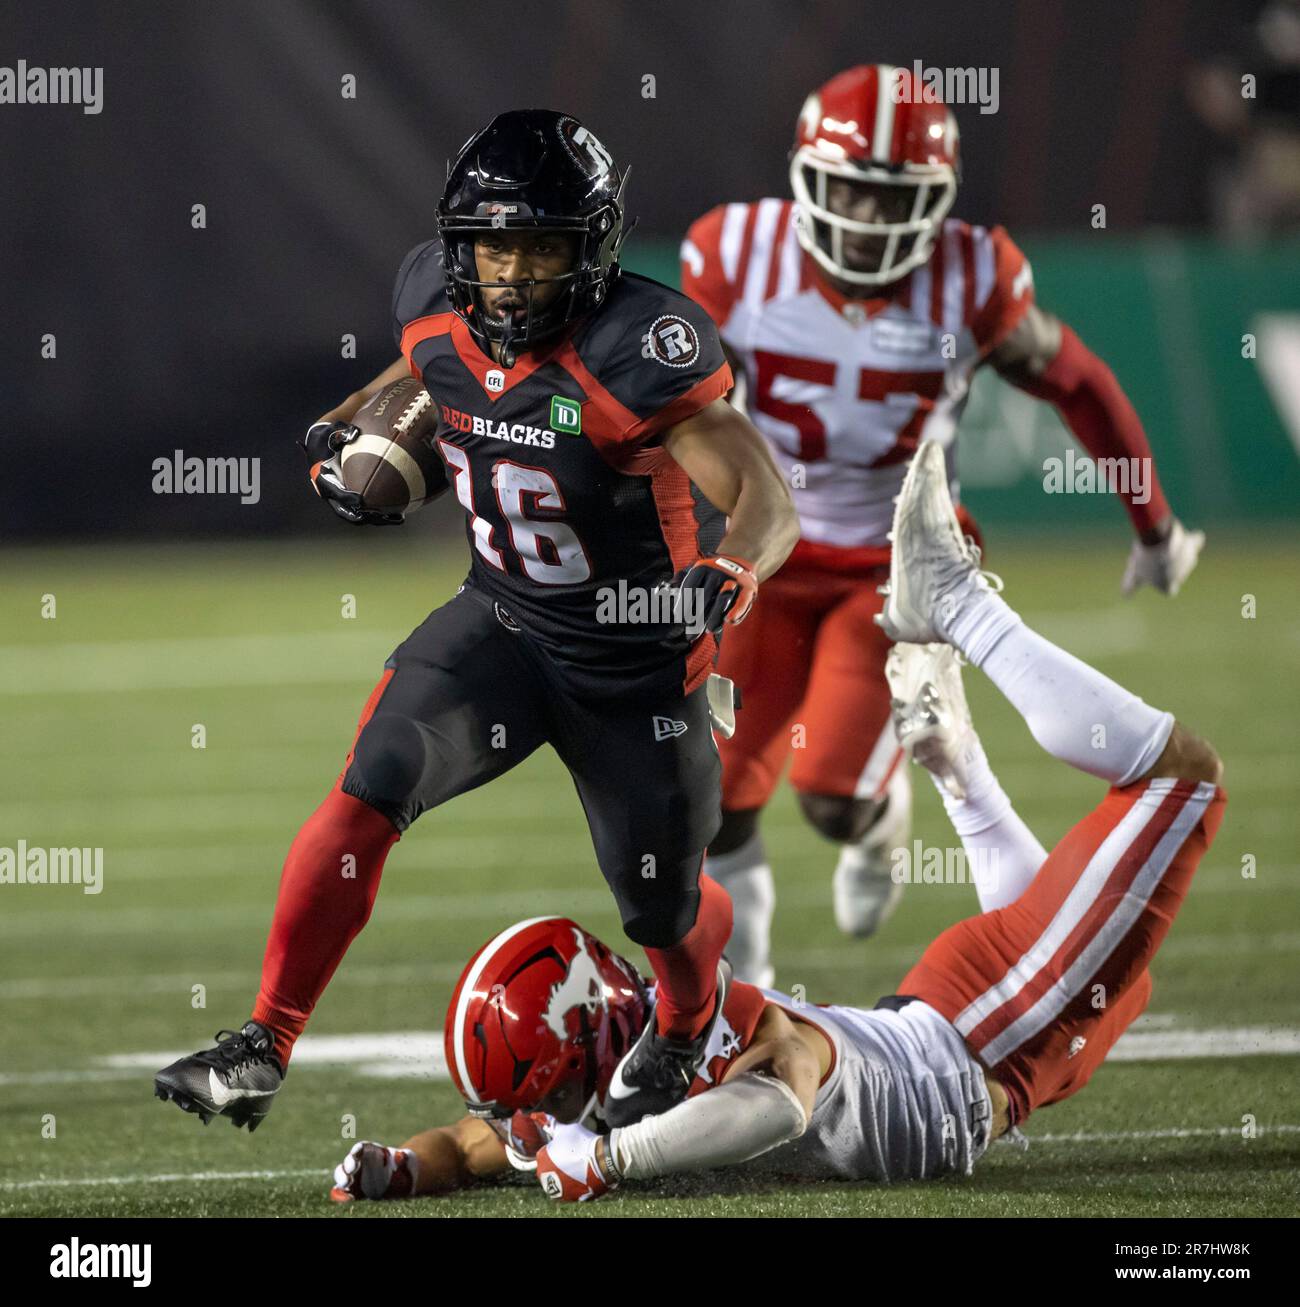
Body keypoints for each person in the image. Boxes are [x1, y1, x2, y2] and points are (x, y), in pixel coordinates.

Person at [328, 439, 1225, 1203]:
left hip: (969, 1046)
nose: (552, 1112)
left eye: (555, 1088)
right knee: (1120, 988)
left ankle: (959, 607)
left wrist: (612, 1156)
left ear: (593, 1027)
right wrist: (403, 1167)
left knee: (1185, 781)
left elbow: (785, 1092)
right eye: (547, 1097)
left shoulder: (686, 1028)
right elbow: (475, 1142)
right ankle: (957, 765)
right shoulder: (571, 1091)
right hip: (949, 1023)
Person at [153, 109, 798, 1134]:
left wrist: (733, 563)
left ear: (589, 250)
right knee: (368, 792)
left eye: (541, 245)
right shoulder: (427, 291)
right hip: (501, 624)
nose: (512, 272)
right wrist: (347, 422)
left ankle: (684, 1021)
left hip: (635, 663)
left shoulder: (640, 346)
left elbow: (764, 490)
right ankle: (265, 1041)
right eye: (494, 245)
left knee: (659, 906)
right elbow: (424, 364)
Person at [680, 63, 1206, 984]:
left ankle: (876, 820)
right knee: (711, 797)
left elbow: (1074, 377)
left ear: (936, 202)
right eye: (852, 193)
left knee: (832, 797)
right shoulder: (733, 253)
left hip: (896, 567)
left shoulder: (972, 273)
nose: (872, 222)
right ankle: (737, 995)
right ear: (806, 177)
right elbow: (670, 402)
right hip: (764, 547)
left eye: (895, 201)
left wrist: (1153, 522)